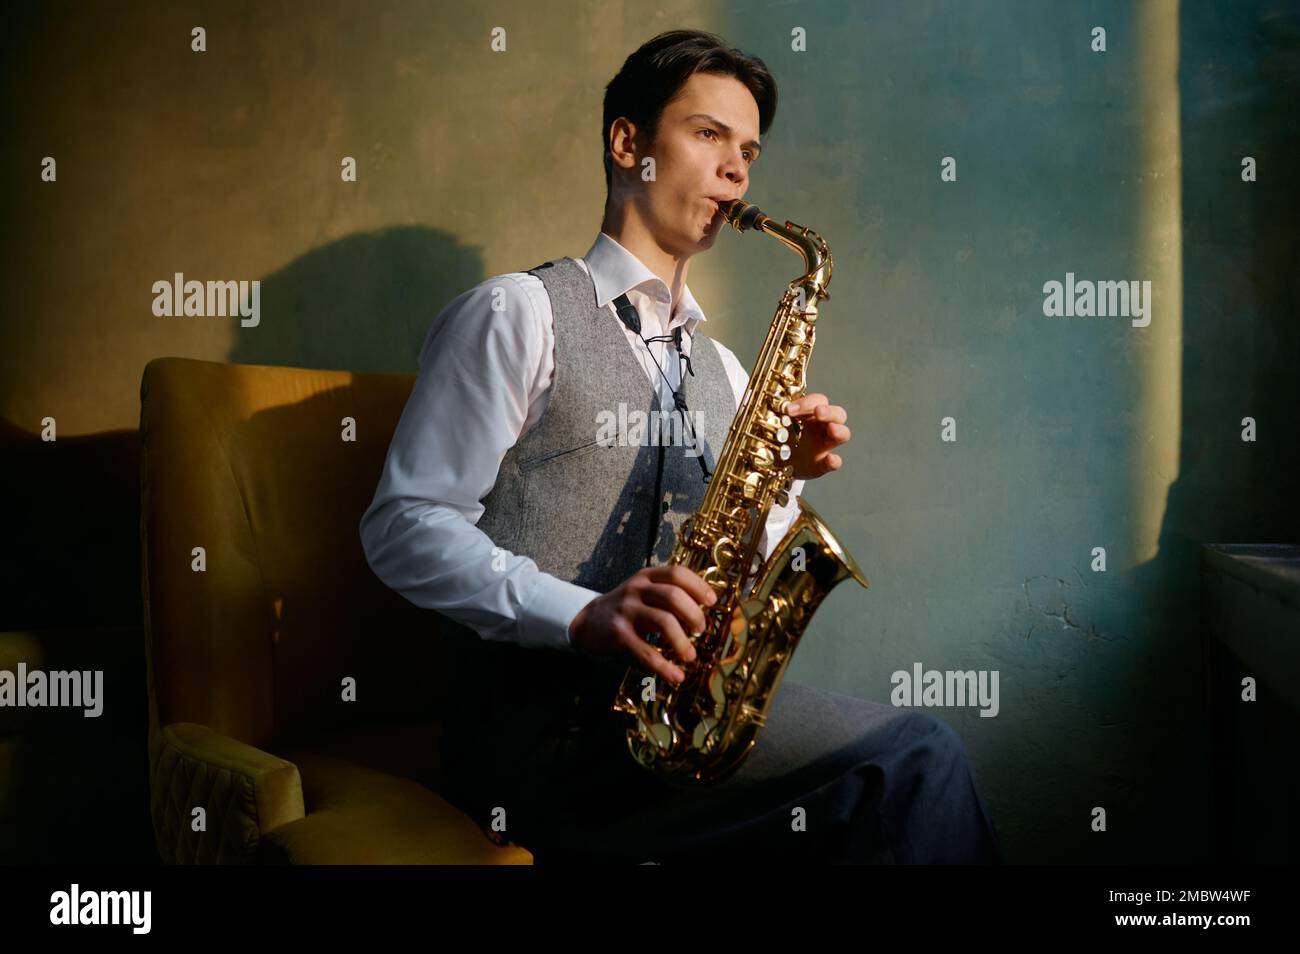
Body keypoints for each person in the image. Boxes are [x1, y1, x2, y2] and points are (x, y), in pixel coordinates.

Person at [360, 29, 1002, 864]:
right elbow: (403, 525)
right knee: (917, 759)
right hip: (540, 740)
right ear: (629, 143)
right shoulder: (515, 314)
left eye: (749, 150)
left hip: (671, 731)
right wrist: (582, 613)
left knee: (884, 791)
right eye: (708, 135)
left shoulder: (728, 369)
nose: (738, 169)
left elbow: (736, 557)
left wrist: (782, 482)